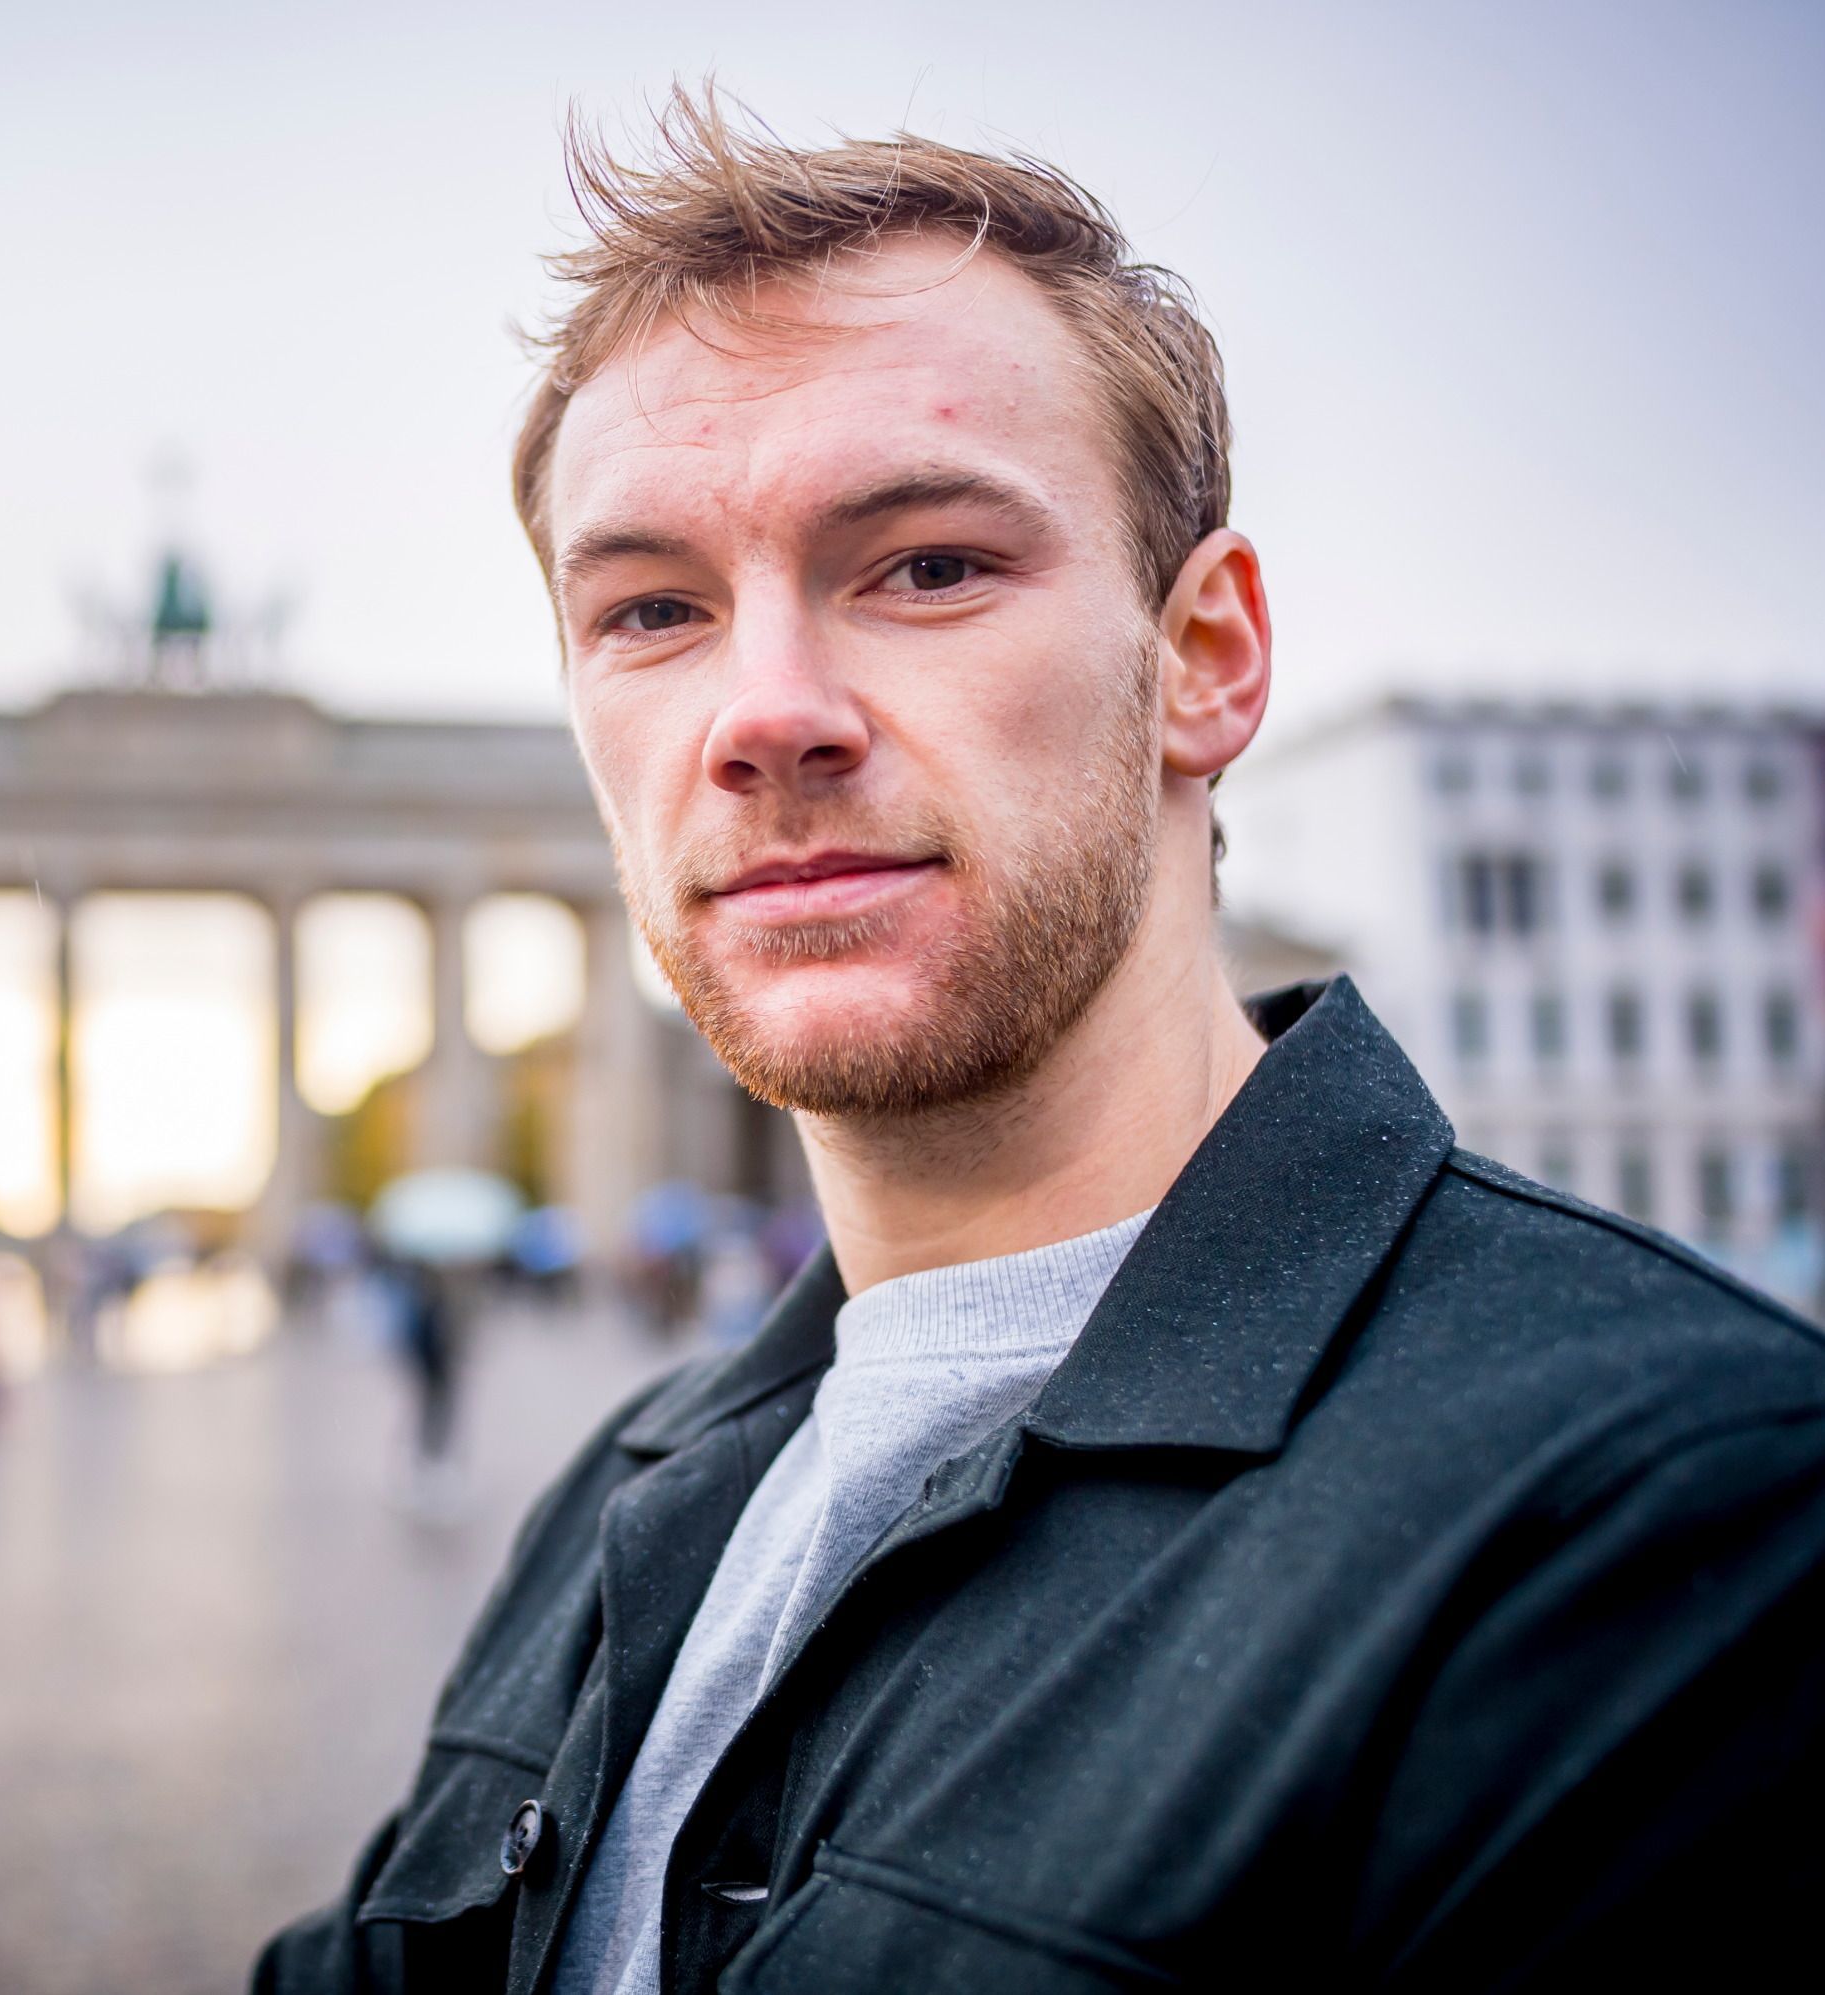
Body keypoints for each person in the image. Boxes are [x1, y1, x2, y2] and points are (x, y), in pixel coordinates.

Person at [256, 92, 1825, 1994]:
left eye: (928, 566)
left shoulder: (1677, 1517)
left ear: (1206, 658)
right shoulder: (623, 1498)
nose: (766, 713)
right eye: (652, 608)